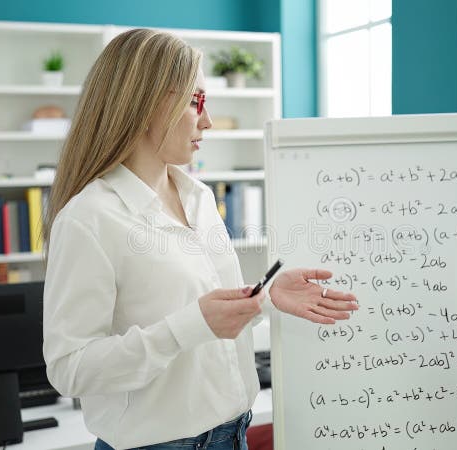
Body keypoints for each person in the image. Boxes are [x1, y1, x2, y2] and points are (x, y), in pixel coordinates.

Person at [41, 28, 358, 450]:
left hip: (233, 435)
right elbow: (69, 369)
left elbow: (206, 311)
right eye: (196, 101)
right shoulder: (89, 218)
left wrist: (265, 296)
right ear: (143, 102)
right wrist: (184, 329)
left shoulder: (199, 196)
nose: (207, 120)